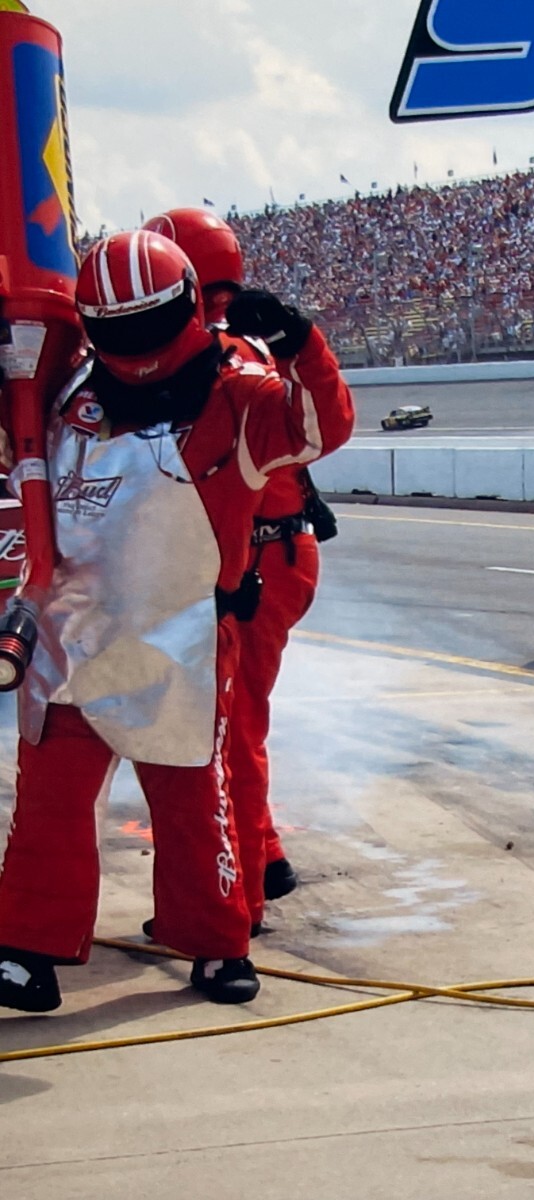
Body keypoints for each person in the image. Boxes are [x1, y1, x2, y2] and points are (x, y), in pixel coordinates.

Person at [0, 230, 353, 1011]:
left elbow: (319, 431)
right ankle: (27, 949)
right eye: (116, 330)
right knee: (50, 805)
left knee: (195, 805)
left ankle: (218, 944)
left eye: (147, 325)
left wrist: (301, 346)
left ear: (186, 305)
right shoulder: (62, 391)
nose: (138, 349)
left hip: (180, 640)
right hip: (69, 638)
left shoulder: (237, 388)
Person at [146, 208, 329, 930]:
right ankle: (268, 856)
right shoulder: (257, 342)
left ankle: (239, 898)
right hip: (282, 550)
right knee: (236, 725)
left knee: (227, 734)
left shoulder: (209, 357)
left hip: (249, 560)